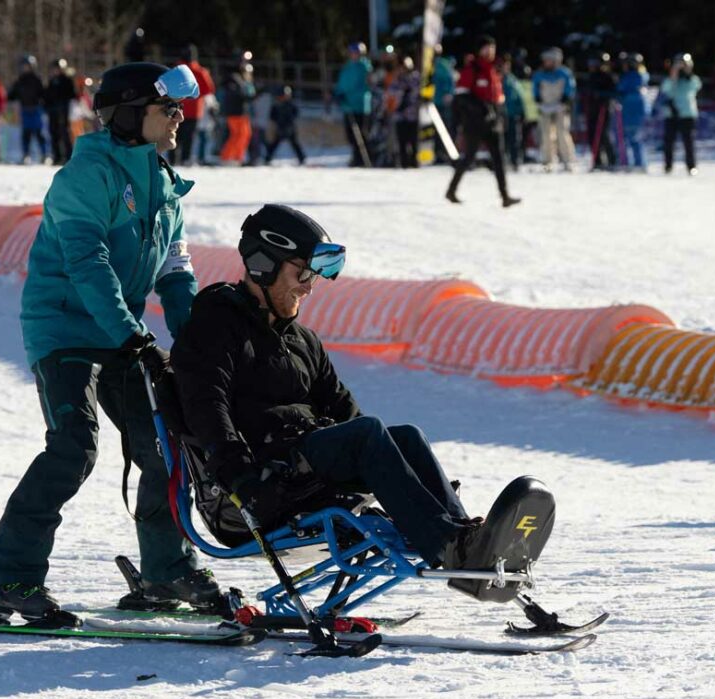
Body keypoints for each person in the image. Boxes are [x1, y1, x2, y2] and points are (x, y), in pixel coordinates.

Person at [0, 62, 213, 625]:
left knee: (162, 444)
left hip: (120, 335)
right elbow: (88, 263)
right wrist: (133, 336)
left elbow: (176, 274)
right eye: (168, 108)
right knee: (73, 448)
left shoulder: (163, 182)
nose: (180, 116)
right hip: (65, 329)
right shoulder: (86, 177)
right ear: (132, 114)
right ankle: (10, 579)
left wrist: (196, 339)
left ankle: (165, 571)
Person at [170, 204, 486, 571]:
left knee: (405, 437)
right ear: (263, 265)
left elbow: (344, 410)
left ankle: (464, 540)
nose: (309, 285)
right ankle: (448, 546)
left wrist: (395, 470)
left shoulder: (303, 341)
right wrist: (242, 480)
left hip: (304, 471)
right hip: (257, 486)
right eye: (302, 271)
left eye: (315, 274)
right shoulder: (215, 327)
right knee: (366, 435)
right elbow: (206, 407)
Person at [445, 36, 520, 208]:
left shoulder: (493, 70)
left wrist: (500, 115)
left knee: (499, 158)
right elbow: (461, 96)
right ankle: (451, 190)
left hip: (492, 123)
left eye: (492, 48)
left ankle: (505, 195)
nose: (490, 52)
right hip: (475, 123)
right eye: (486, 48)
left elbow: (498, 97)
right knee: (468, 157)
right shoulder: (472, 69)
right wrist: (480, 109)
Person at [533, 47, 576, 171]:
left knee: (562, 134)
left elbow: (570, 89)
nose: (547, 62)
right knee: (546, 134)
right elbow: (535, 90)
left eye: (549, 60)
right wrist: (538, 101)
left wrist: (565, 101)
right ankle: (547, 161)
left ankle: (568, 160)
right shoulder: (539, 74)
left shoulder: (565, 73)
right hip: (545, 107)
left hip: (560, 108)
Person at [172, 44, 215, 166]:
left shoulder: (176, 69)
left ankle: (173, 159)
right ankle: (185, 159)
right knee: (188, 138)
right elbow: (209, 88)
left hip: (177, 108)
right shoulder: (200, 71)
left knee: (175, 135)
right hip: (194, 110)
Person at [661, 53, 702, 175]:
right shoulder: (670, 80)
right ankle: (668, 166)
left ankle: (691, 166)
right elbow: (665, 89)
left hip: (687, 114)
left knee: (688, 142)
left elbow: (696, 86)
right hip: (671, 114)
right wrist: (674, 74)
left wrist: (687, 73)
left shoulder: (692, 79)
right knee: (669, 142)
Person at [334, 42, 373, 167]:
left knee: (361, 134)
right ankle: (356, 157)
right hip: (347, 106)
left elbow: (364, 86)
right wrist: (338, 94)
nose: (354, 55)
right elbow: (342, 83)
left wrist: (352, 96)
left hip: (360, 106)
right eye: (352, 53)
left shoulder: (365, 67)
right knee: (350, 135)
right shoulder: (347, 67)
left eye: (357, 53)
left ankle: (362, 159)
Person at [9, 55, 48, 164]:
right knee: (26, 134)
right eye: (24, 66)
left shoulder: (37, 79)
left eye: (28, 66)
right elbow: (12, 94)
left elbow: (43, 94)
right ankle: (26, 154)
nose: (25, 68)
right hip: (25, 109)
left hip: (35, 109)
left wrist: (44, 104)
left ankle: (44, 154)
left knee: (39, 133)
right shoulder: (20, 80)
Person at [585, 52, 618, 170]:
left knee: (603, 135)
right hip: (592, 109)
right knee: (592, 136)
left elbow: (614, 92)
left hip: (604, 109)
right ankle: (597, 161)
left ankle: (612, 160)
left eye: (594, 63)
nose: (592, 66)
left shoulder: (608, 76)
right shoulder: (590, 76)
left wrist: (602, 95)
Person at [219, 59, 255, 166]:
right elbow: (242, 95)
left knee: (245, 134)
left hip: (241, 113)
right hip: (235, 113)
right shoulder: (236, 80)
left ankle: (237, 157)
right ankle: (227, 157)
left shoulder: (243, 82)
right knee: (237, 135)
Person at [617, 52, 649, 170]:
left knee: (634, 138)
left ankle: (639, 164)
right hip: (632, 111)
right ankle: (635, 163)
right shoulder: (639, 76)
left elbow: (621, 89)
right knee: (632, 138)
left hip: (633, 111)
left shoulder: (635, 77)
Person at [389, 55, 421, 168]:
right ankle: (404, 163)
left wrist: (411, 93)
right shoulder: (397, 79)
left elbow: (420, 92)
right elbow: (391, 92)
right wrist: (401, 92)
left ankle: (414, 161)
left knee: (414, 141)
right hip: (400, 116)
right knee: (402, 141)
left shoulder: (416, 78)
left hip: (413, 115)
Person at [265, 85, 306, 164]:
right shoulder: (277, 105)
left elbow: (295, 114)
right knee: (274, 144)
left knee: (295, 144)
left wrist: (290, 125)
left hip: (290, 128)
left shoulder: (291, 105)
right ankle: (267, 158)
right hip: (280, 128)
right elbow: (272, 116)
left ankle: (302, 158)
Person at [45, 58, 75, 165]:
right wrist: (47, 106)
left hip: (63, 111)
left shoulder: (67, 80)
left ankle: (68, 156)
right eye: (54, 69)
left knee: (64, 133)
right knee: (54, 133)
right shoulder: (52, 81)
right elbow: (47, 96)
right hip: (53, 112)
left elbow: (72, 95)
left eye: (58, 69)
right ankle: (56, 156)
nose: (56, 71)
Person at [430, 44, 457, 164]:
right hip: (434, 102)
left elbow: (450, 80)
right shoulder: (431, 65)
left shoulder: (442, 65)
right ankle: (438, 154)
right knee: (437, 130)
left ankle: (445, 154)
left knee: (444, 129)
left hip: (441, 102)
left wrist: (448, 93)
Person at [498, 54, 525, 170]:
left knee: (514, 139)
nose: (506, 67)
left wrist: (522, 111)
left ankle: (515, 161)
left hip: (512, 114)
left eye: (507, 65)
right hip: (499, 115)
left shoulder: (512, 79)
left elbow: (519, 96)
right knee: (501, 140)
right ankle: (501, 162)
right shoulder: (496, 78)